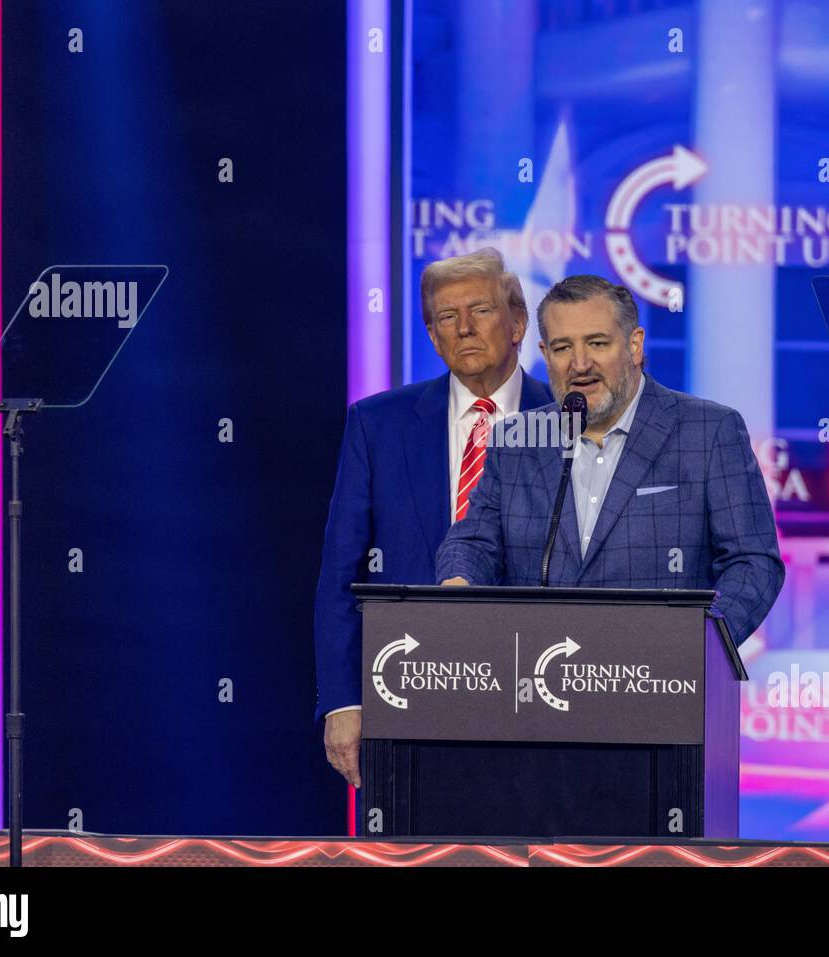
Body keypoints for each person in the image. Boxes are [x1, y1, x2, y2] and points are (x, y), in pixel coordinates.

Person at [436, 274, 784, 647]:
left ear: (634, 345)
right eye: (563, 348)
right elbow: (473, 541)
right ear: (544, 353)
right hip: (537, 677)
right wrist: (458, 582)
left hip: (663, 683)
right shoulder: (516, 439)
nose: (580, 364)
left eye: (597, 343)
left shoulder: (709, 431)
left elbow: (752, 563)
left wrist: (700, 644)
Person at [314, 248, 554, 789]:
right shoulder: (378, 424)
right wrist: (343, 701)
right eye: (447, 317)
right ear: (432, 335)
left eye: (481, 310)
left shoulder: (566, 420)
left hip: (541, 700)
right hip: (408, 692)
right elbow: (339, 575)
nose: (464, 328)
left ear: (518, 322)